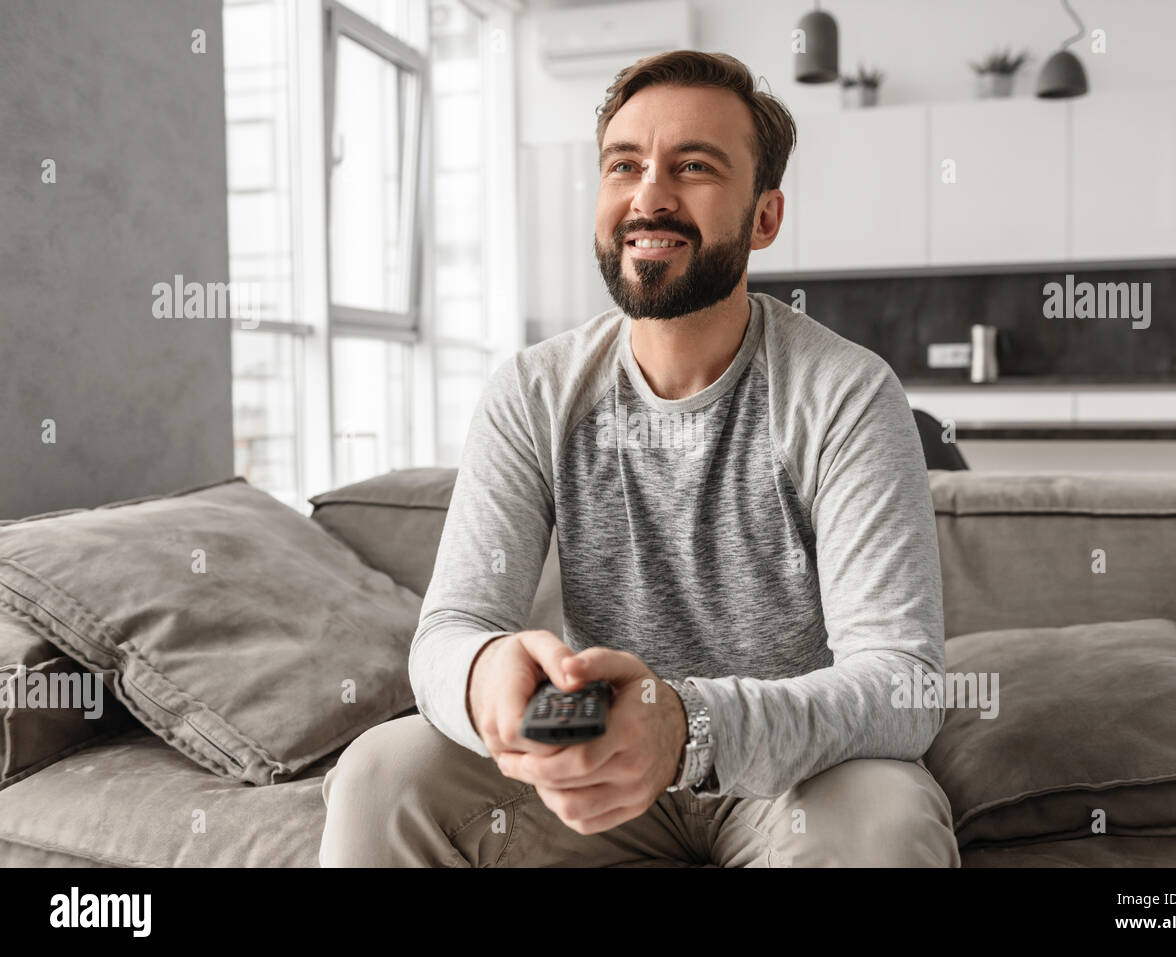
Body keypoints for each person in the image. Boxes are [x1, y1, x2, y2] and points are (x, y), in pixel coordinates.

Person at [320, 49, 959, 868]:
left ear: (764, 217)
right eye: (625, 165)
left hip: (795, 775)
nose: (649, 195)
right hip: (589, 773)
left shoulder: (848, 393)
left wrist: (687, 725)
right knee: (379, 773)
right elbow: (450, 630)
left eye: (693, 167)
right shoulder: (533, 390)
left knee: (886, 822)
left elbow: (902, 681)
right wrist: (488, 678)